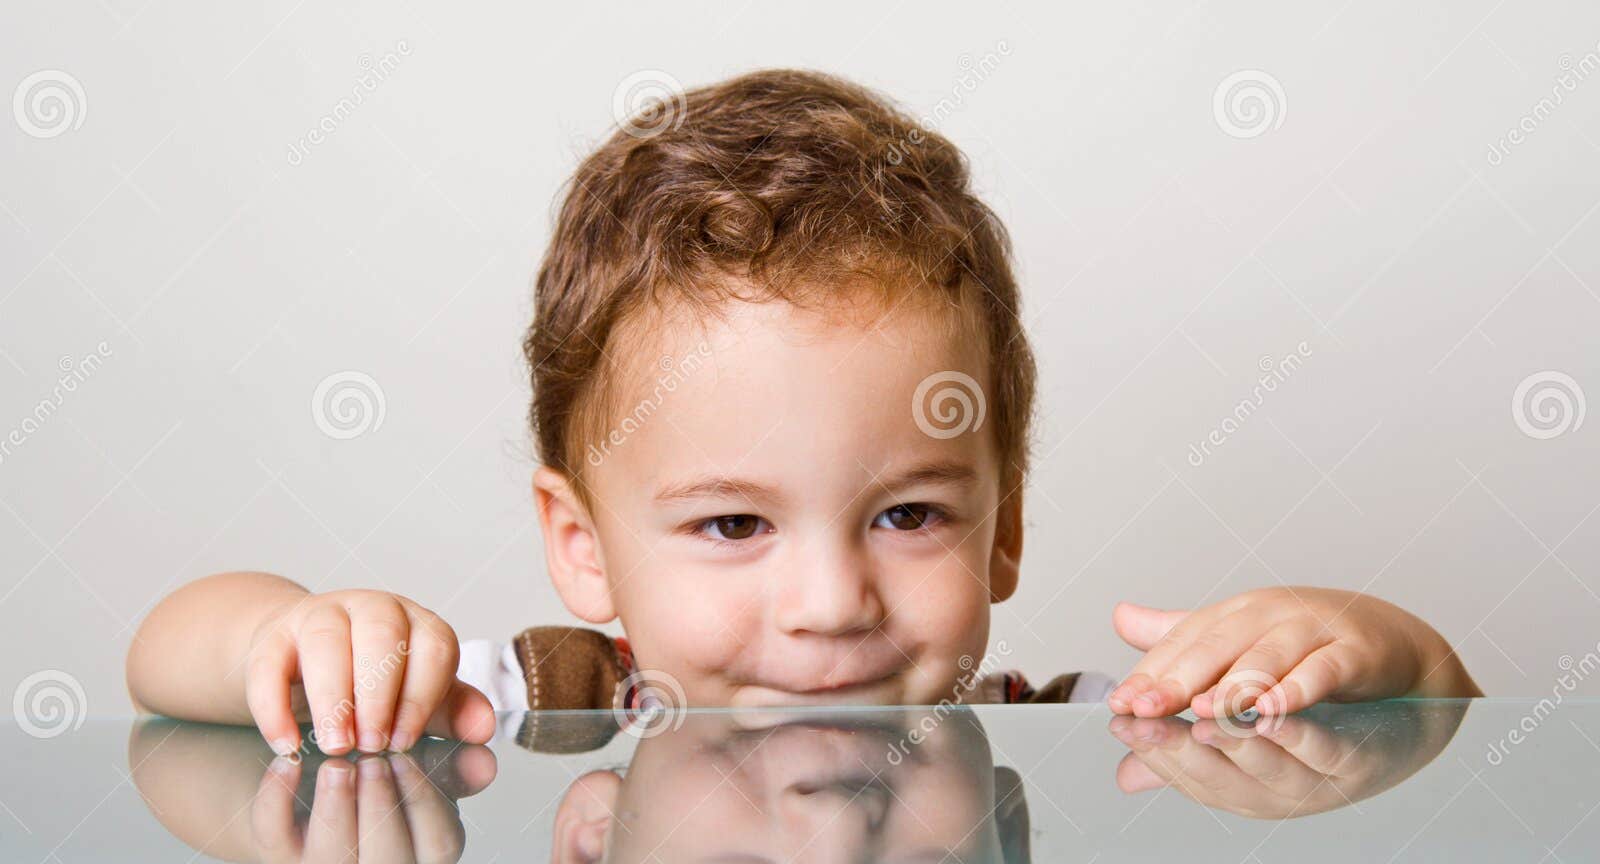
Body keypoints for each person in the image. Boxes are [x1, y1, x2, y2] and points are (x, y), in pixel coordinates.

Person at [124, 69, 1480, 756]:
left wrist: (1369, 647)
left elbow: (1438, 719)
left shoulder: (1066, 741)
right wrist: (295, 635)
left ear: (1004, 528)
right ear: (583, 541)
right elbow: (166, 658)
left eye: (908, 511)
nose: (830, 602)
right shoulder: (553, 706)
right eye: (730, 522)